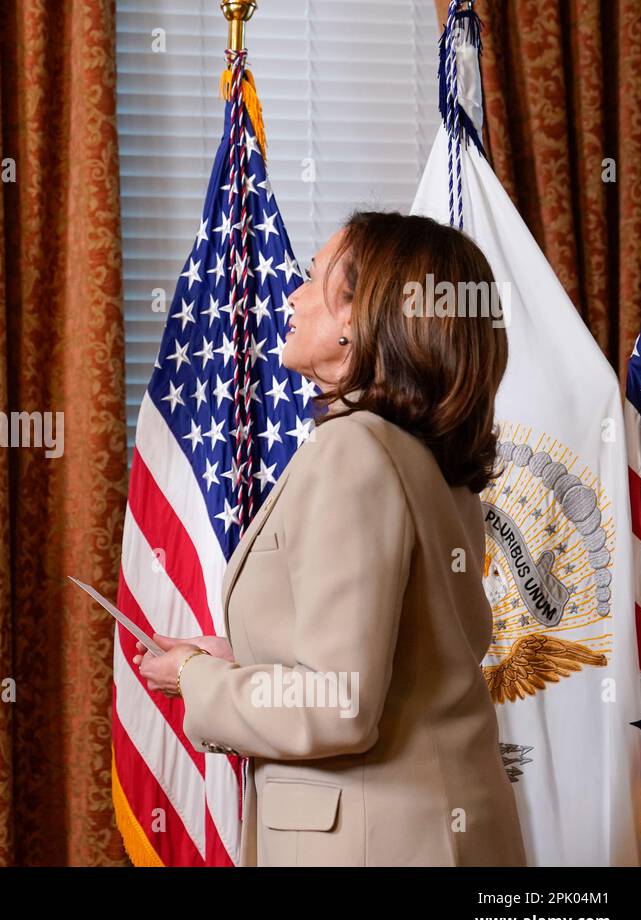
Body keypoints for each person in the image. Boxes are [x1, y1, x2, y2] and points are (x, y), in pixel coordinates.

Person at [136, 210, 527, 866]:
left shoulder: (355, 449)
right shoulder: (426, 456)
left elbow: (339, 702)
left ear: (358, 317)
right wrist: (240, 657)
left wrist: (199, 679)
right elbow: (403, 657)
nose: (292, 296)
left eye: (315, 280)